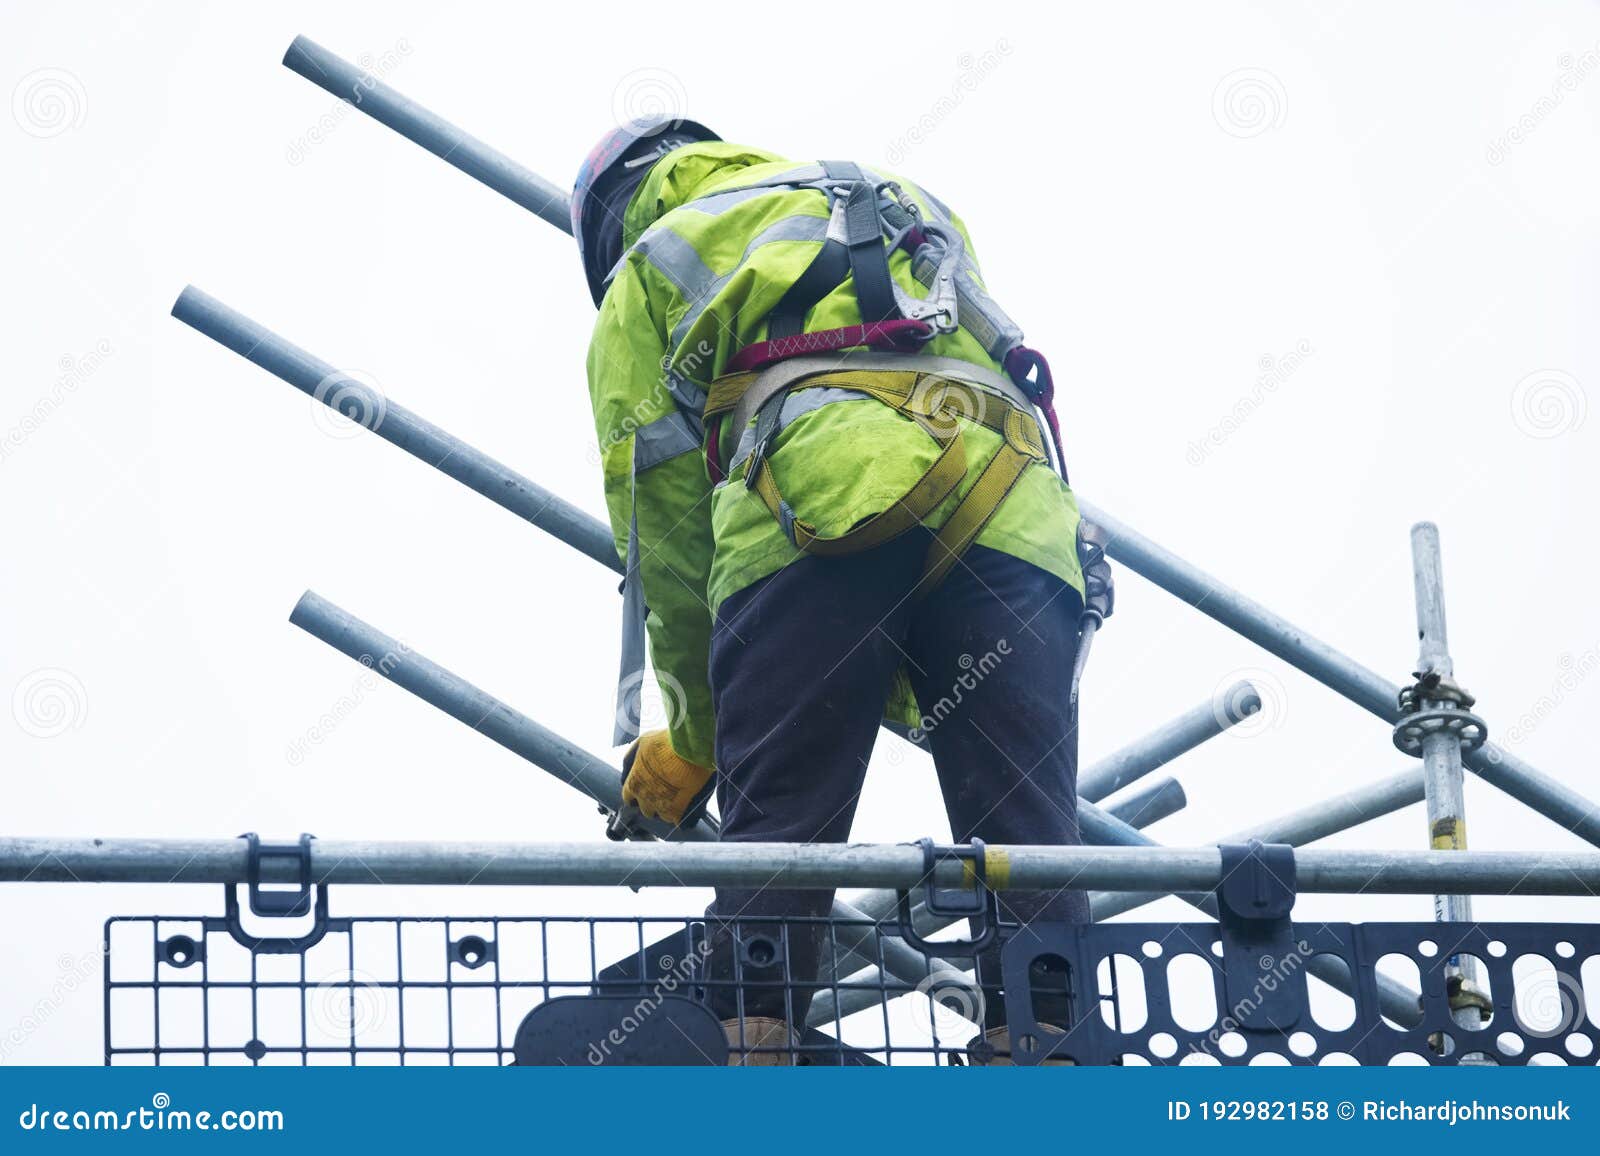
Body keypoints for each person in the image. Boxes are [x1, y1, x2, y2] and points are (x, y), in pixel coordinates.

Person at [573, 118, 1112, 1064]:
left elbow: (665, 532)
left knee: (781, 821)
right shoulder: (897, 193)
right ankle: (1048, 1065)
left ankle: (755, 1064)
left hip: (818, 506)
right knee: (1028, 833)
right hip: (1017, 509)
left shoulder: (653, 259)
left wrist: (698, 740)